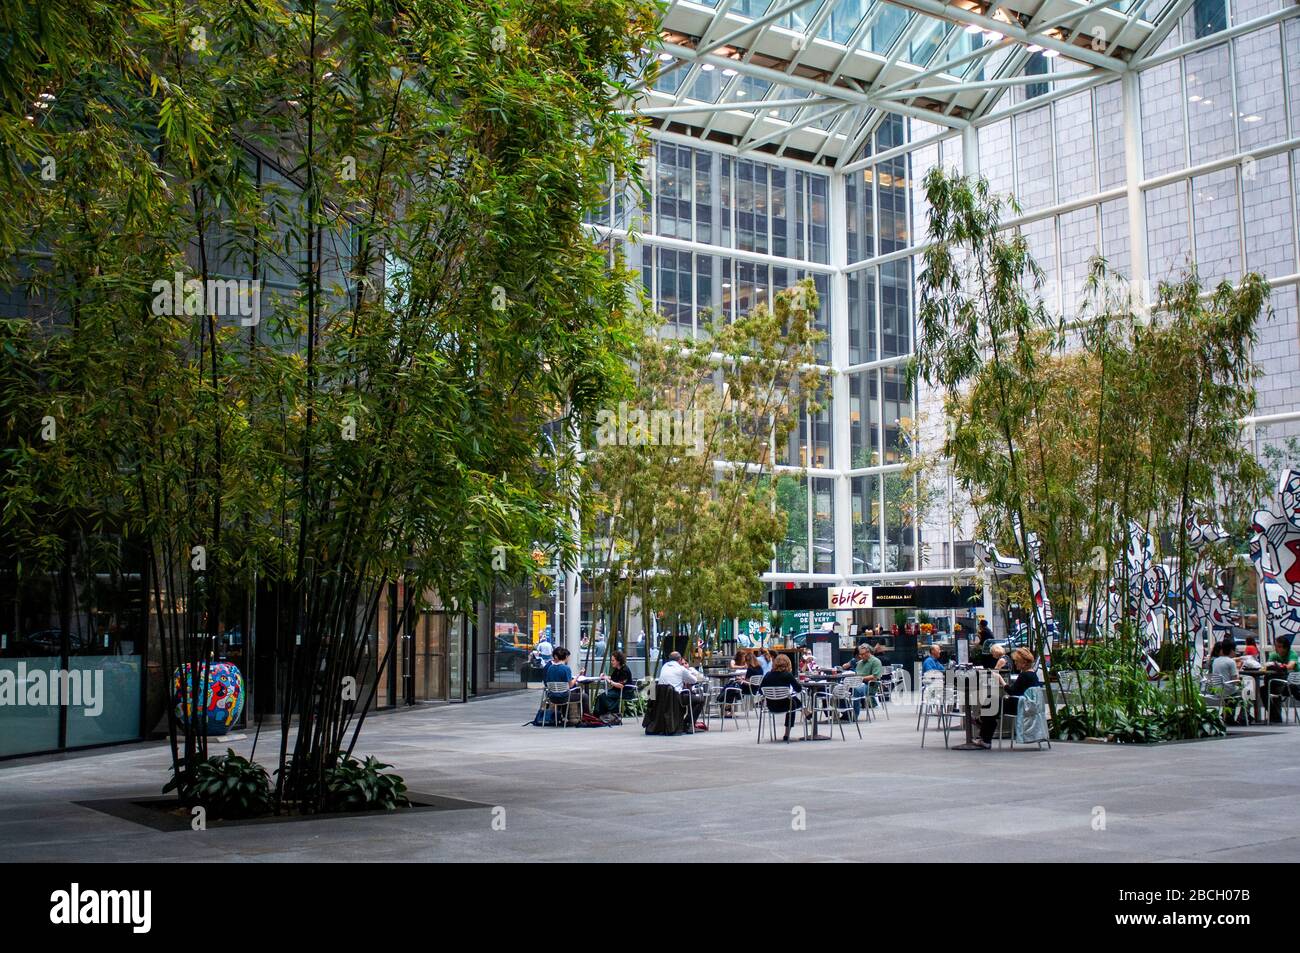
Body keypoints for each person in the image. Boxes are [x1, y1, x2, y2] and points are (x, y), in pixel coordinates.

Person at [978, 647, 1039, 748]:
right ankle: (983, 730)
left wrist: (1001, 680)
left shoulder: (1024, 675)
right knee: (992, 705)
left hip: (1021, 706)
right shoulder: (1032, 674)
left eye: (1017, 662)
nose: (1015, 664)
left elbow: (1012, 691)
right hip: (1028, 705)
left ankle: (983, 731)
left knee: (991, 703)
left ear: (1023, 663)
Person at [760, 653, 804, 742]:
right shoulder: (788, 675)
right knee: (793, 702)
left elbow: (760, 691)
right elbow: (798, 689)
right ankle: (786, 734)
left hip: (771, 706)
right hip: (786, 705)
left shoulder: (768, 675)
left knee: (792, 699)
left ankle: (805, 711)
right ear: (788, 664)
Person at [1265, 635, 1300, 723]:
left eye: (1279, 647)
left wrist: (1282, 666)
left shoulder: (1292, 654)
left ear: (1286, 648)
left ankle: (1276, 717)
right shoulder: (1274, 655)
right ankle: (1276, 717)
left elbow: (1291, 665)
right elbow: (1267, 665)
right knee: (1263, 690)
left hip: (1291, 684)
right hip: (1278, 683)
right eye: (1276, 646)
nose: (1276, 649)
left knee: (1272, 689)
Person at [542, 646, 586, 715]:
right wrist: (578, 676)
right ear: (565, 657)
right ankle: (586, 718)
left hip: (552, 698)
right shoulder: (566, 668)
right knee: (584, 696)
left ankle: (565, 717)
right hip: (564, 698)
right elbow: (570, 685)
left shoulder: (550, 668)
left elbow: (547, 682)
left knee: (567, 692)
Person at [595, 650, 635, 717]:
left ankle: (612, 714)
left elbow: (621, 685)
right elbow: (612, 678)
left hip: (625, 692)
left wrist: (609, 681)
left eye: (613, 660)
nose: (611, 662)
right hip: (617, 691)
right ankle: (599, 716)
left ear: (618, 661)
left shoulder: (624, 670)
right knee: (600, 696)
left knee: (604, 697)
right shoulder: (617, 669)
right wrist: (604, 676)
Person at [850, 643, 883, 720]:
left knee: (856, 689)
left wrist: (861, 678)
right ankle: (845, 714)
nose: (860, 656)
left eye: (862, 654)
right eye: (860, 655)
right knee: (842, 688)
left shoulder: (876, 661)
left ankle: (855, 716)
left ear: (868, 652)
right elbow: (856, 674)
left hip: (870, 686)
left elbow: (874, 677)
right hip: (858, 683)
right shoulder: (859, 663)